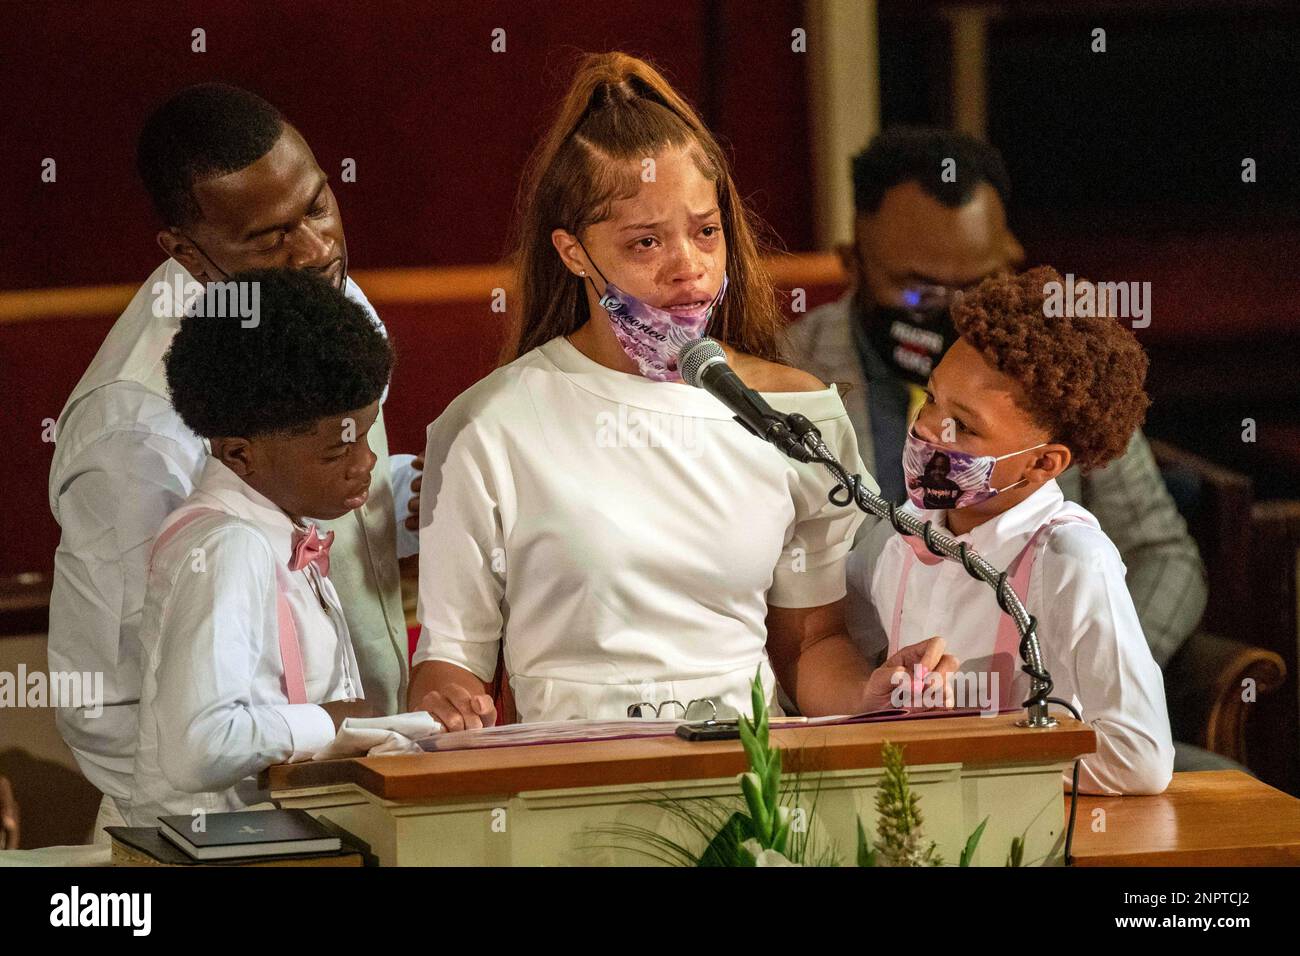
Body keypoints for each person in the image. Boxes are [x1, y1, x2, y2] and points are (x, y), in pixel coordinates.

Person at [409, 52, 959, 728]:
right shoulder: (488, 426)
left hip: (756, 783)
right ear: (572, 251)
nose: (689, 269)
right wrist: (449, 707)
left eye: (705, 232)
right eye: (645, 243)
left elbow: (810, 645)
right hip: (571, 787)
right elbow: (448, 663)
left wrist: (872, 691)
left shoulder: (793, 414)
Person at [46, 84, 418, 838]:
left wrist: (431, 494)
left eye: (317, 206)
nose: (315, 250)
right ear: (189, 252)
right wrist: (236, 834)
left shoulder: (310, 296)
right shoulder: (136, 430)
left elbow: (330, 502)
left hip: (351, 798)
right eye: (269, 236)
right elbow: (107, 706)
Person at [784, 129, 1207, 687]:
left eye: (977, 283)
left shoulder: (1055, 367)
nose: (954, 313)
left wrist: (1095, 673)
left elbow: (1163, 554)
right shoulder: (789, 374)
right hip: (862, 706)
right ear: (853, 262)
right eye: (919, 290)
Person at [848, 267, 1175, 795]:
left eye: (965, 426)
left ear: (1043, 464)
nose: (929, 428)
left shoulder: (1071, 558)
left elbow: (1139, 756)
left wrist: (975, 741)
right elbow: (849, 673)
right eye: (931, 399)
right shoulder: (895, 541)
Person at [127, 269, 394, 826]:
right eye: (334, 452)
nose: (365, 460)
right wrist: (328, 722)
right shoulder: (230, 548)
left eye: (366, 434)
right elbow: (198, 746)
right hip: (213, 850)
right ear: (240, 455)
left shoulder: (273, 529)